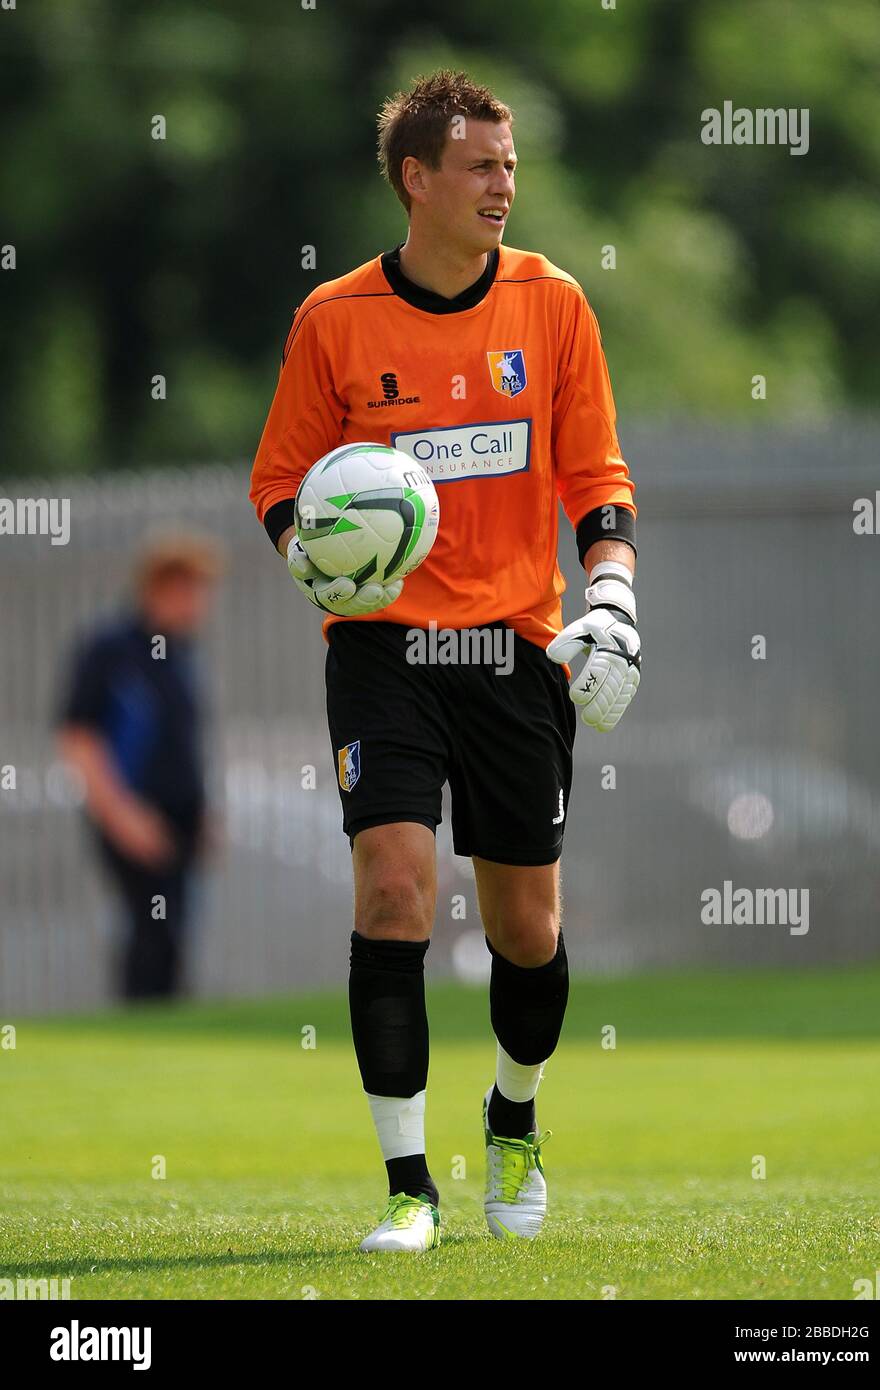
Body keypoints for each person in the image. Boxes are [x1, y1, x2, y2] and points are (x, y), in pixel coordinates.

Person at [249, 70, 641, 1250]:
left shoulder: (555, 303)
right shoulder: (333, 321)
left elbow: (597, 479)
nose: (503, 185)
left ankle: (511, 1116)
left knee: (526, 928)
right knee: (394, 888)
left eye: (509, 166)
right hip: (385, 652)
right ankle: (408, 1187)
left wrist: (612, 598)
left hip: (517, 648)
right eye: (480, 166)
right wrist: (312, 556)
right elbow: (280, 483)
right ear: (416, 179)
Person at [57, 531, 223, 1001]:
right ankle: (142, 1033)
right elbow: (79, 737)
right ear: (158, 587)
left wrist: (203, 813)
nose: (199, 602)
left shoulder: (182, 653)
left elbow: (185, 743)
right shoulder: (110, 649)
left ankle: (168, 1034)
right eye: (189, 589)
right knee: (150, 932)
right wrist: (120, 815)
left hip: (180, 817)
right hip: (132, 814)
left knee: (175, 934)